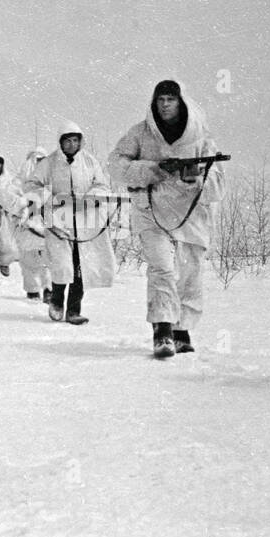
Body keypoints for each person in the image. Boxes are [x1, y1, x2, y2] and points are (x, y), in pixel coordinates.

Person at [109, 80, 223, 357]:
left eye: (171, 99)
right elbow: (115, 166)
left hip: (190, 215)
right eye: (160, 99)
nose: (165, 105)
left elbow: (218, 185)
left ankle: (181, 330)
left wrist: (195, 177)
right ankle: (162, 330)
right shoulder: (139, 134)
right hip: (152, 212)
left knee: (189, 273)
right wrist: (153, 170)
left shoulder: (201, 139)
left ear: (181, 102)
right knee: (162, 268)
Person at [27, 123, 117, 325]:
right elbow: (31, 185)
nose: (71, 144)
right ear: (61, 142)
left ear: (80, 141)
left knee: (81, 266)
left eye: (75, 140)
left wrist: (90, 199)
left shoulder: (89, 161)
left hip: (86, 220)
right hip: (59, 219)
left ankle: (74, 310)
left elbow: (102, 185)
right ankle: (57, 302)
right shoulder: (49, 163)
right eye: (67, 141)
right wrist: (49, 200)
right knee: (61, 263)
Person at [15, 148, 52, 301]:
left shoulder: (50, 180)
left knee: (47, 261)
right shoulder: (20, 181)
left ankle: (47, 289)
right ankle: (33, 290)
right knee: (30, 261)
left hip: (44, 227)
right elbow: (13, 199)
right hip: (28, 226)